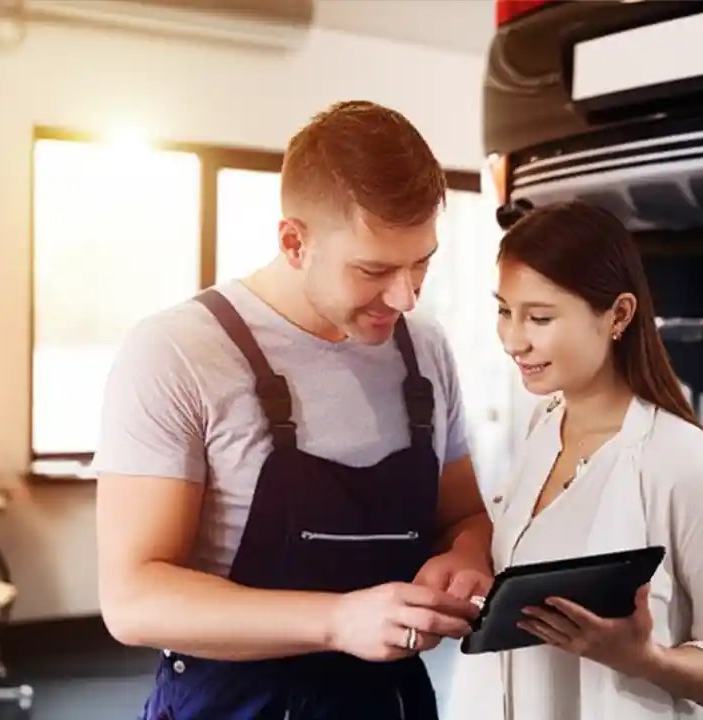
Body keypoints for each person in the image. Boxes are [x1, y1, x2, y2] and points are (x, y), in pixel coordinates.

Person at [93, 100, 494, 720]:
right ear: (293, 241)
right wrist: (336, 621)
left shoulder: (426, 351)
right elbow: (133, 597)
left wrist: (466, 557)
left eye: (422, 264)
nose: (406, 295)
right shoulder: (177, 352)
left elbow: (464, 515)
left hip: (390, 703)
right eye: (374, 269)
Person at [451, 200, 703, 720]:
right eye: (505, 311)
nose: (513, 338)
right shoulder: (543, 426)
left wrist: (642, 659)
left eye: (540, 317)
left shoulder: (675, 456)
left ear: (619, 314)